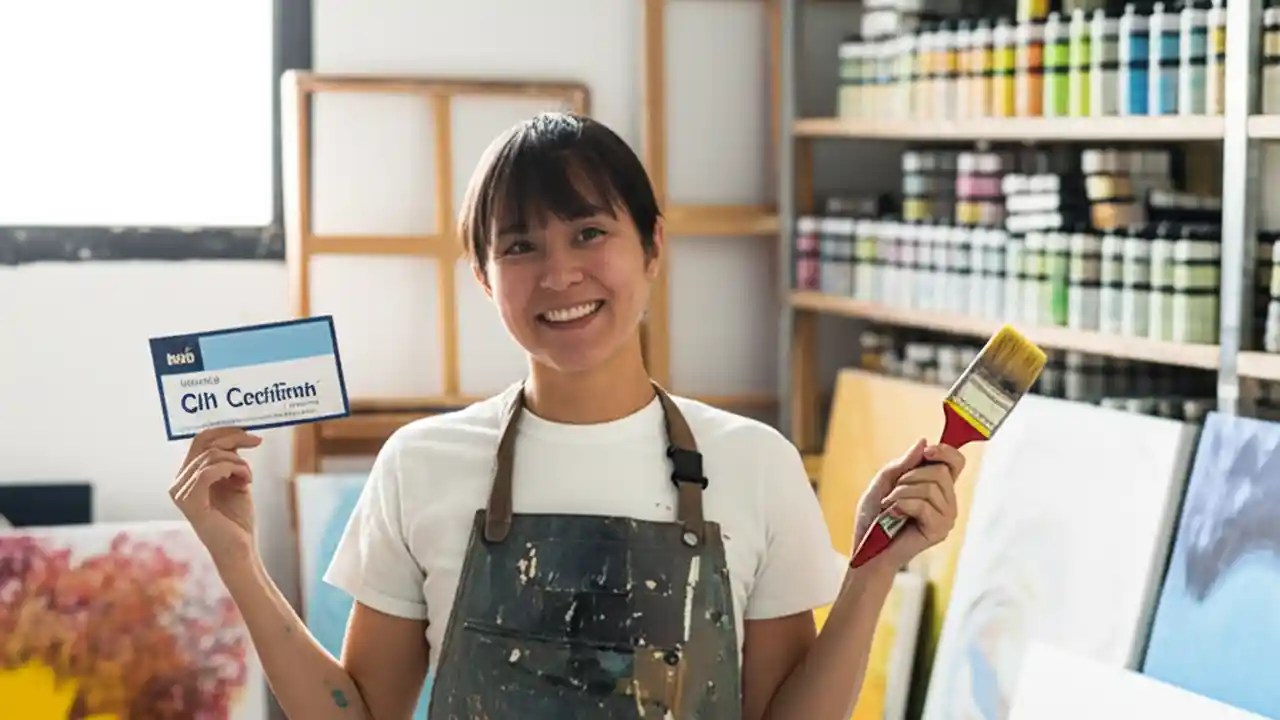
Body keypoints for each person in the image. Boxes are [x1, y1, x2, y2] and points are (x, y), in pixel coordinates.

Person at [170, 112, 963, 719]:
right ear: (483, 278)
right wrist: (237, 557)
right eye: (519, 247)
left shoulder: (754, 462)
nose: (559, 273)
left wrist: (871, 573)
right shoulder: (421, 463)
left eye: (590, 233)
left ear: (652, 245)